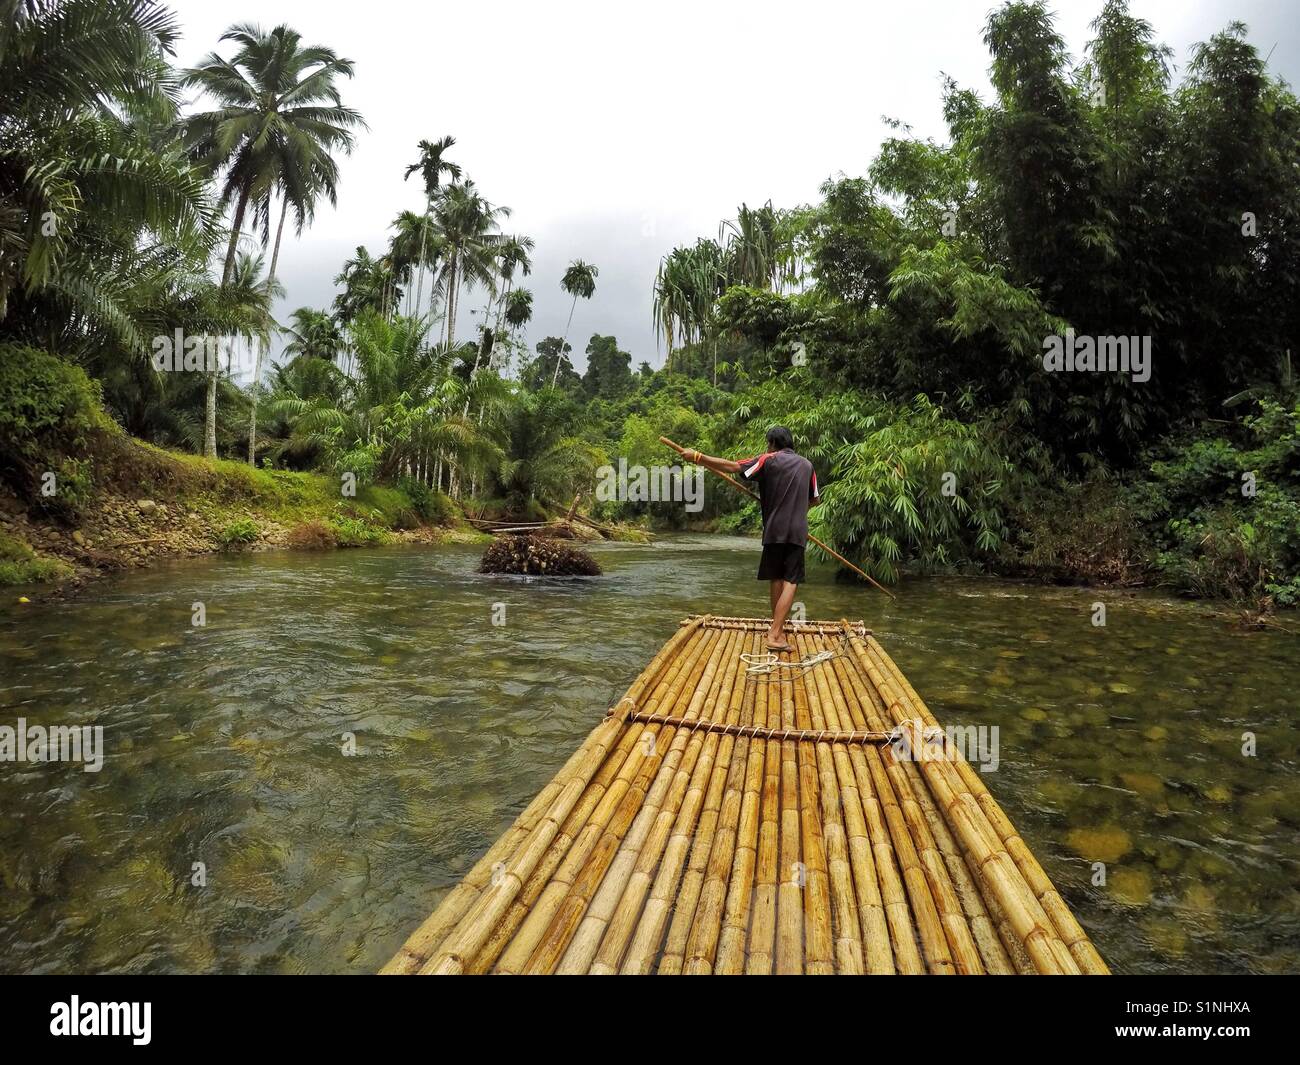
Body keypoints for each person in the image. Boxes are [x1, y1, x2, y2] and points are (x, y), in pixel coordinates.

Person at [685, 426, 818, 652]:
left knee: (777, 578)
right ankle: (776, 632)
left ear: (773, 443)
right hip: (797, 530)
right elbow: (814, 500)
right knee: (791, 580)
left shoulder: (768, 459)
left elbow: (733, 466)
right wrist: (795, 510)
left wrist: (698, 457)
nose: (767, 447)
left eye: (768, 444)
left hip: (774, 529)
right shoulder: (808, 465)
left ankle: (775, 632)